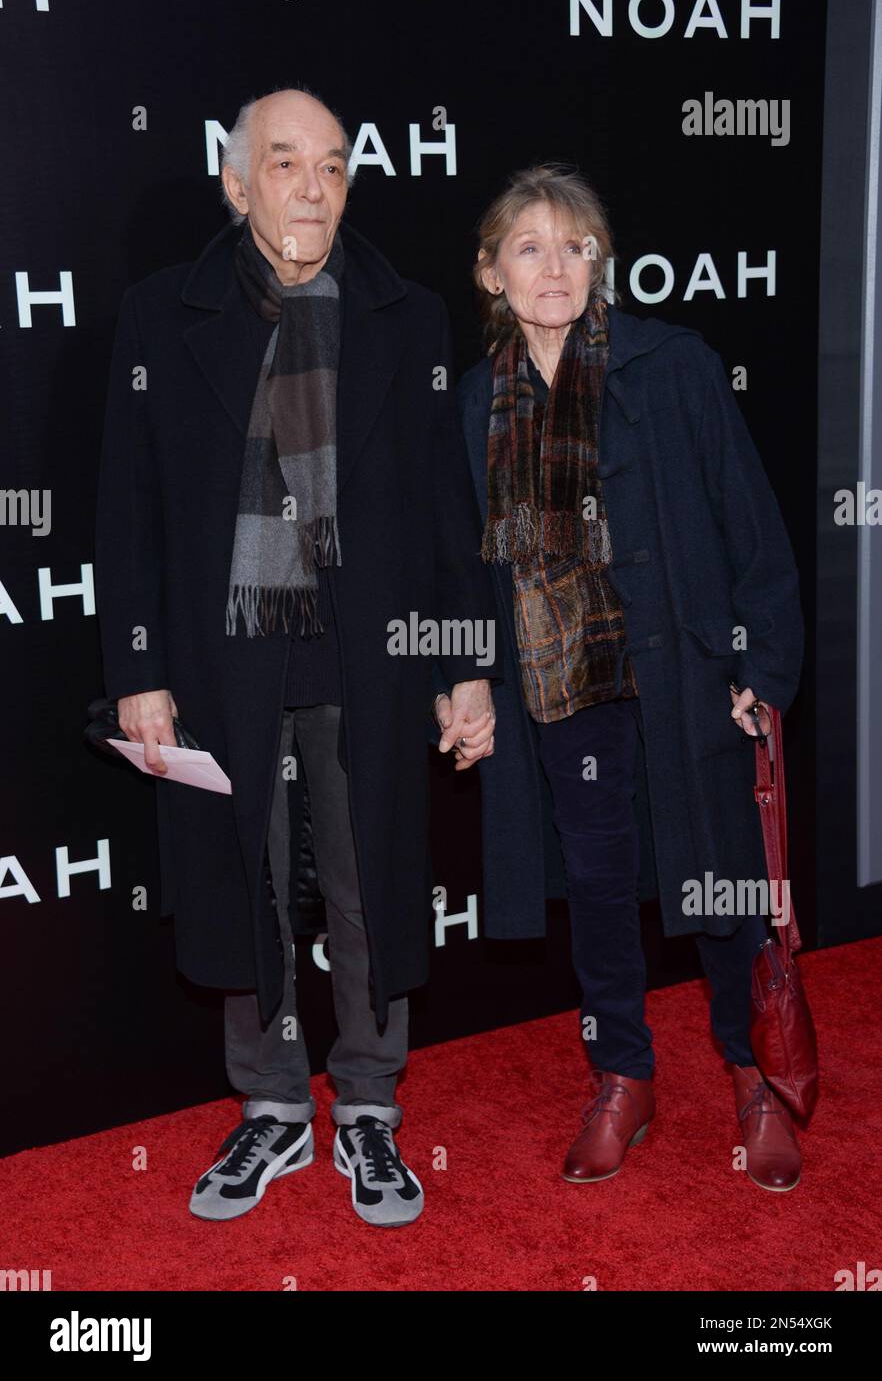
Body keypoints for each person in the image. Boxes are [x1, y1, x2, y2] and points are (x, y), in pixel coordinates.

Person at [95, 87, 496, 1228]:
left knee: (368, 882)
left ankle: (368, 1110)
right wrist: (137, 668)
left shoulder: (405, 316)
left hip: (366, 655)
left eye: (330, 165)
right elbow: (127, 512)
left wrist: (465, 662)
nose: (312, 185)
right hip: (227, 658)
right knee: (246, 882)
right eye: (284, 163)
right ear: (237, 184)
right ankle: (272, 1108)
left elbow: (442, 507)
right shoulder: (157, 317)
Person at [446, 163, 805, 1192]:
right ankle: (623, 1075)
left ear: (599, 261)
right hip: (562, 690)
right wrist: (467, 682)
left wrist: (760, 665)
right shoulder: (476, 402)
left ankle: (752, 1073)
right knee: (600, 892)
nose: (553, 266)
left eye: (573, 245)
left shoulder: (673, 366)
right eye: (529, 246)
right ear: (491, 271)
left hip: (686, 672)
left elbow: (753, 527)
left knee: (719, 881)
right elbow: (469, 565)